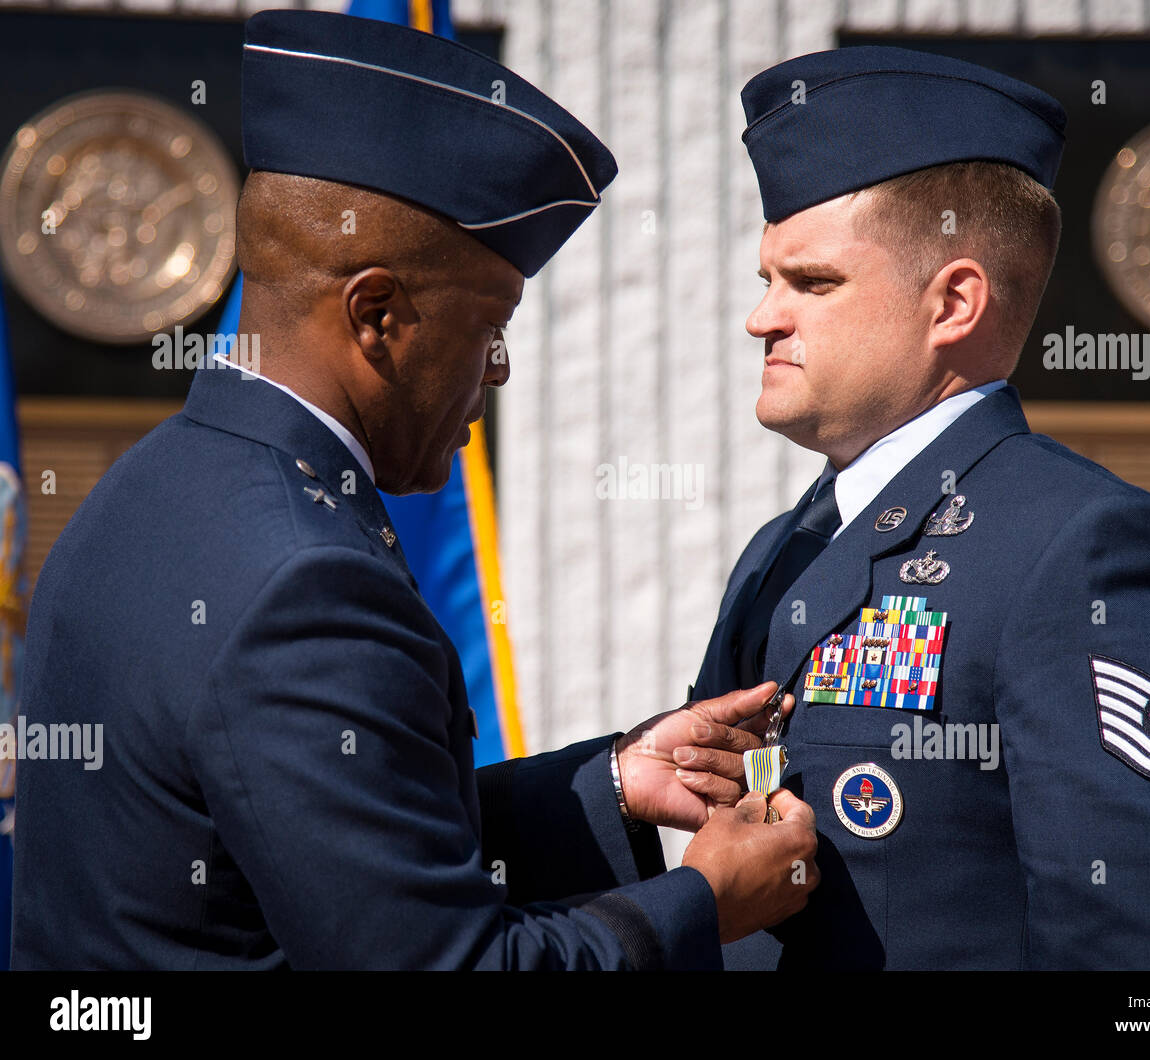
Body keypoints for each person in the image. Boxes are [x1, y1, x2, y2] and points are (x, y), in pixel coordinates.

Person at [10, 10, 818, 970]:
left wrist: (606, 783)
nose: (499, 372)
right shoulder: (304, 583)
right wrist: (703, 901)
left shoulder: (152, 484)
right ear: (378, 315)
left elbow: (331, 844)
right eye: (490, 328)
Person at [690, 45, 1150, 969]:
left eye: (812, 283)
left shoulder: (1087, 549)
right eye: (767, 282)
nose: (763, 318)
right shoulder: (789, 547)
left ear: (954, 303)